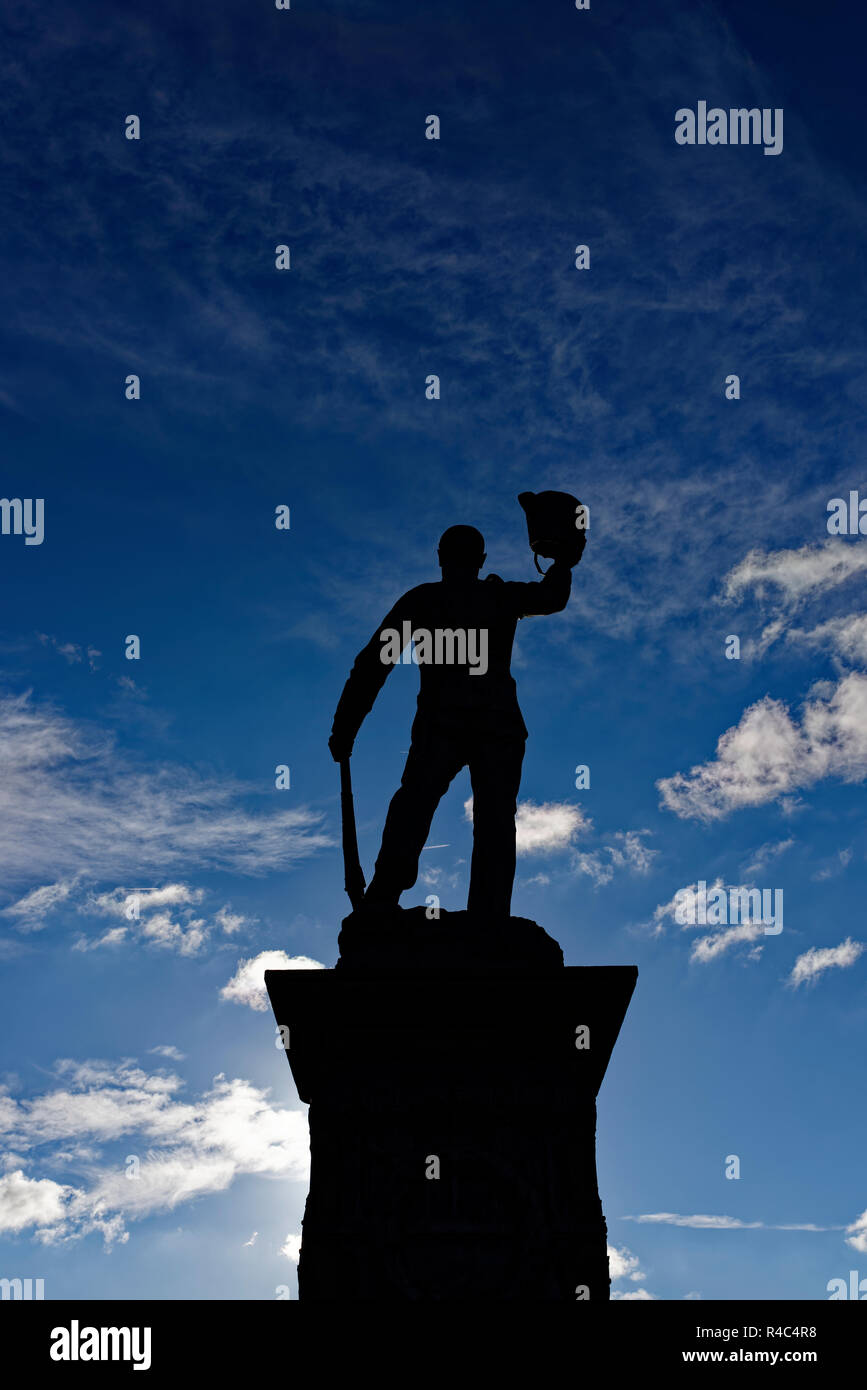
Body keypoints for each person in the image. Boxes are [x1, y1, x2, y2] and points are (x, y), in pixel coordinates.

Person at [328, 523, 581, 922]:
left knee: (414, 807)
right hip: (493, 726)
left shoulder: (424, 600)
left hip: (444, 724)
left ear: (441, 558)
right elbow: (552, 596)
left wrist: (346, 726)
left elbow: (373, 664)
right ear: (481, 561)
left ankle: (382, 897)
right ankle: (489, 913)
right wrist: (562, 562)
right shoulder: (498, 595)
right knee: (491, 821)